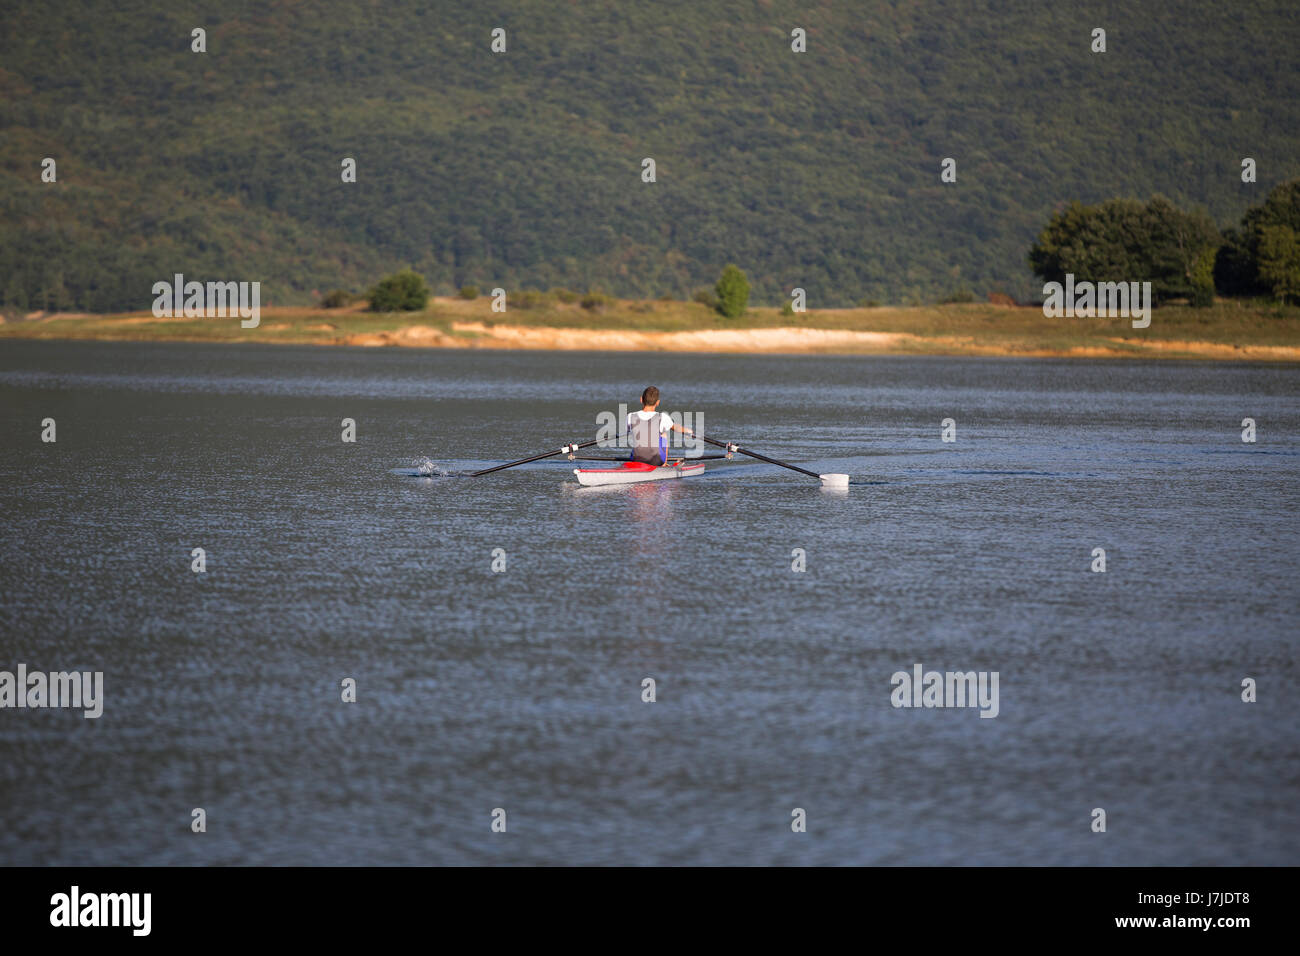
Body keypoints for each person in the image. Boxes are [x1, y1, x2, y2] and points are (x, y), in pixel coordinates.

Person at [627, 386, 693, 465]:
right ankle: (664, 464)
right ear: (658, 402)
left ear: (641, 399)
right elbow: (675, 428)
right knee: (663, 434)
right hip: (656, 460)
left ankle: (637, 461)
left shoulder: (630, 416)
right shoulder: (662, 417)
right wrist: (688, 431)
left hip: (636, 459)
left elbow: (628, 432)